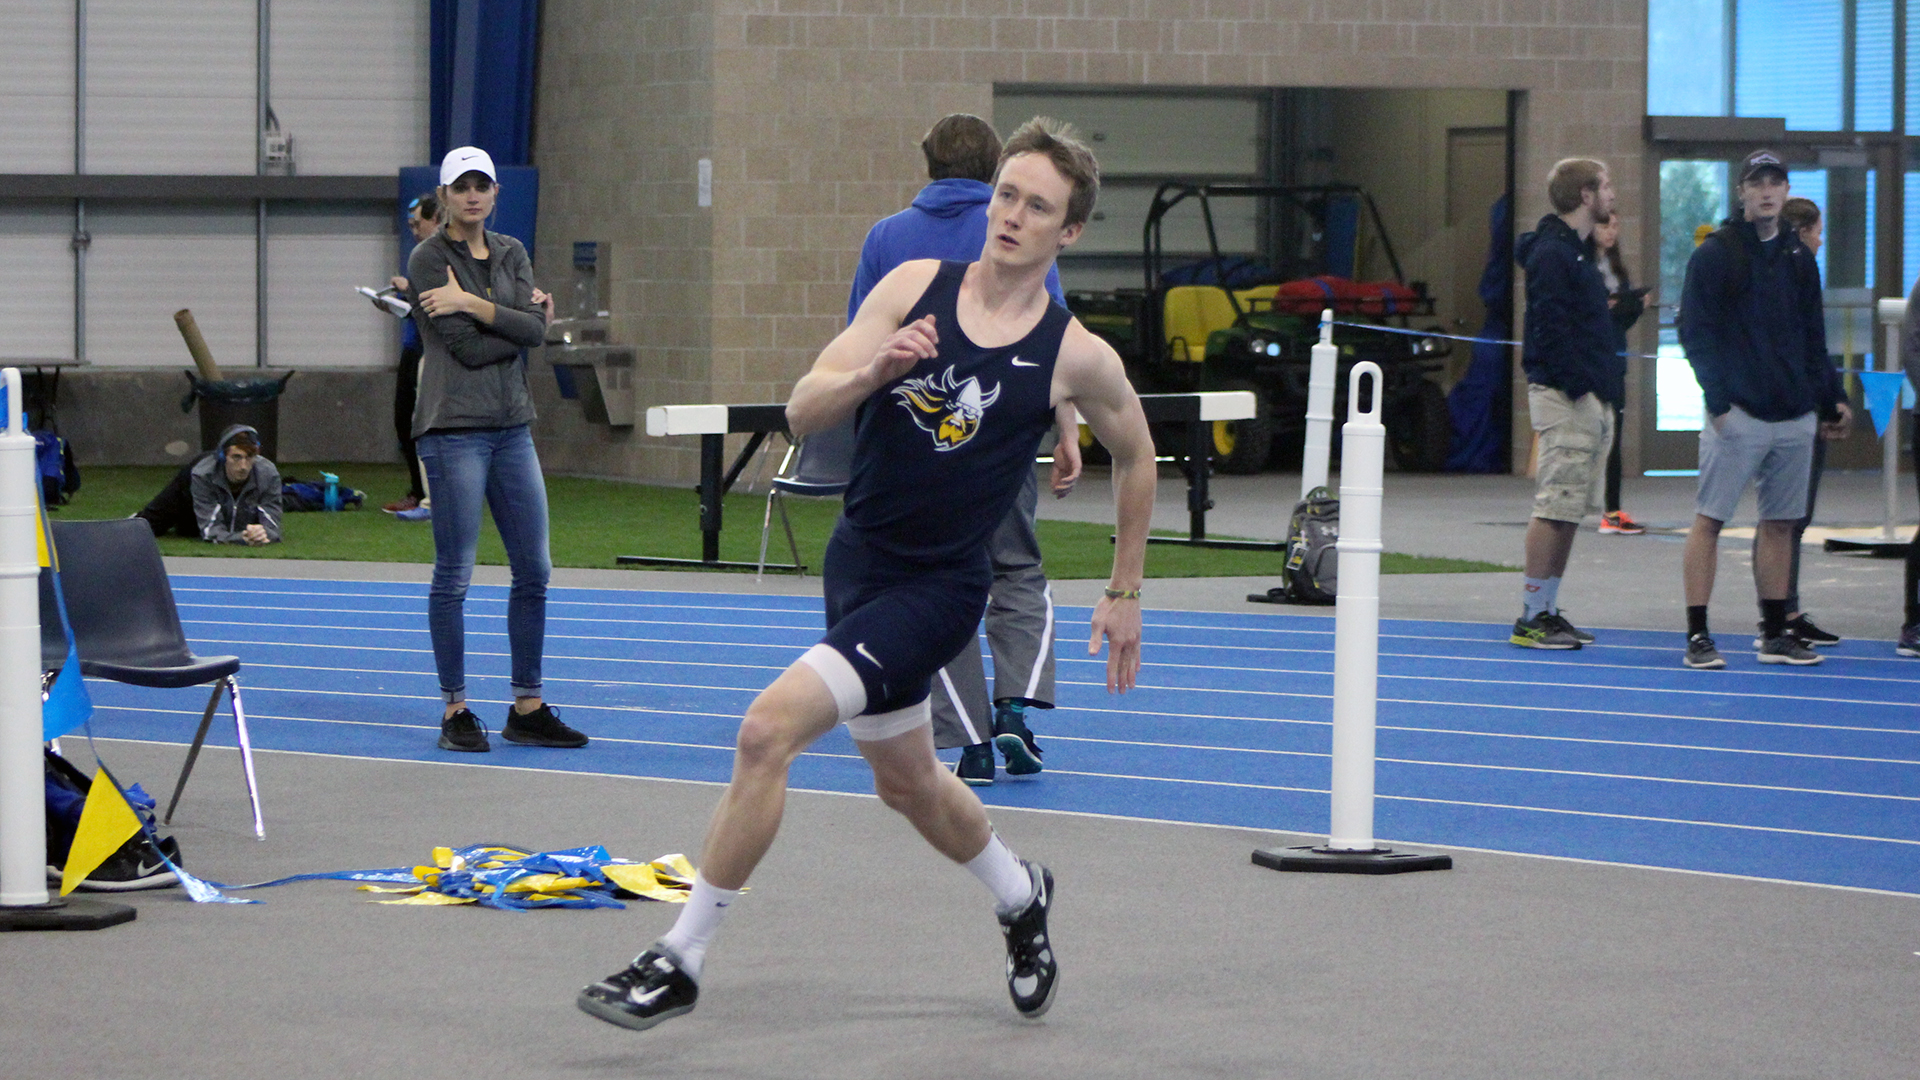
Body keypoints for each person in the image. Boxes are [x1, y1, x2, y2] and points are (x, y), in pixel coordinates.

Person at [577, 118, 1156, 1032]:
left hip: (938, 590)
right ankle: (1021, 895)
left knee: (766, 732)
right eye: (1005, 193)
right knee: (909, 784)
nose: (1010, 215)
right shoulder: (912, 286)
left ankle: (678, 957)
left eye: (1036, 206)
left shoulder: (1072, 354)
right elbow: (806, 409)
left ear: (1068, 233)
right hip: (858, 565)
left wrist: (1124, 593)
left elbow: (1140, 456)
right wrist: (875, 369)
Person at [848, 113, 1082, 786]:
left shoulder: (888, 238)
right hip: (1005, 425)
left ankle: (969, 739)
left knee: (933, 582)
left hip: (916, 443)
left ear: (927, 162)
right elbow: (1054, 335)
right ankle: (1014, 708)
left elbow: (863, 343)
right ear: (995, 170)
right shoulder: (1024, 229)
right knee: (1015, 567)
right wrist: (1066, 428)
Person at [406, 145, 587, 752]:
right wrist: (512, 320)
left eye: (482, 185)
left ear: (495, 193)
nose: (473, 195)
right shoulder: (428, 257)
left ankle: (527, 705)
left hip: (512, 427)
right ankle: (456, 708)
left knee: (534, 568)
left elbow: (535, 331)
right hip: (453, 427)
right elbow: (470, 348)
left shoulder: (511, 251)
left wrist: (473, 304)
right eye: (461, 188)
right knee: (455, 573)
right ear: (446, 197)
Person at [1675, 149, 1850, 669]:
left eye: (1776, 182)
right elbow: (1694, 331)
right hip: (1740, 414)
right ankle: (1698, 635)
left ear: (1786, 191)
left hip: (1794, 413)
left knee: (1780, 523)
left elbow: (1811, 337)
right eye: (1758, 183)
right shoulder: (1717, 254)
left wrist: (1830, 397)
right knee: (1710, 521)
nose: (1768, 191)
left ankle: (1775, 630)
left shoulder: (1798, 258)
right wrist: (1717, 401)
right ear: (1743, 193)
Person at [1508, 158, 1621, 650]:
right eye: (1607, 186)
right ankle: (1531, 614)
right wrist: (1579, 385)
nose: (1613, 194)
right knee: (1554, 506)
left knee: (1571, 508)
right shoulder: (1554, 254)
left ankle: (1549, 607)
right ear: (1585, 195)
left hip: (1586, 395)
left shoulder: (1577, 252)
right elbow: (1549, 328)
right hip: (1564, 395)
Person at [1761, 196, 1845, 647]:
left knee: (1795, 517)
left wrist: (1833, 400)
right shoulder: (1785, 273)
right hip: (1784, 410)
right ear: (1803, 231)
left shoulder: (1802, 272)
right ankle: (1774, 616)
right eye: (1818, 230)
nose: (1821, 238)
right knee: (1782, 517)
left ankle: (1786, 609)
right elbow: (1804, 349)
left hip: (1805, 405)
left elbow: (1816, 345)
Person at [1592, 212, 1649, 536]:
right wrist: (1605, 307)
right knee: (1591, 437)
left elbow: (1619, 322)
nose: (1611, 232)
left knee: (1614, 434)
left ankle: (1612, 511)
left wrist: (1635, 305)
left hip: (1615, 359)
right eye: (1604, 225)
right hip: (1590, 361)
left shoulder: (1616, 269)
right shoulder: (1582, 266)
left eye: (1615, 225)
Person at [133, 423, 282, 546]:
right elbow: (211, 531)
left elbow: (272, 525)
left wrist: (261, 533)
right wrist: (241, 538)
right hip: (189, 499)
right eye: (236, 457)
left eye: (249, 457)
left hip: (231, 514)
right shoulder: (202, 474)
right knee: (149, 525)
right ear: (223, 457)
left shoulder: (268, 474)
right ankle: (127, 525)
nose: (243, 466)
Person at [383, 191, 438, 516]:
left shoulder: (442, 254)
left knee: (422, 424)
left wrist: (409, 291)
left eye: (418, 225)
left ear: (435, 220)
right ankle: (419, 491)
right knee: (404, 422)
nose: (414, 231)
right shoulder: (420, 254)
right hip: (413, 345)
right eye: (410, 226)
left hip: (430, 351)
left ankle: (429, 496)